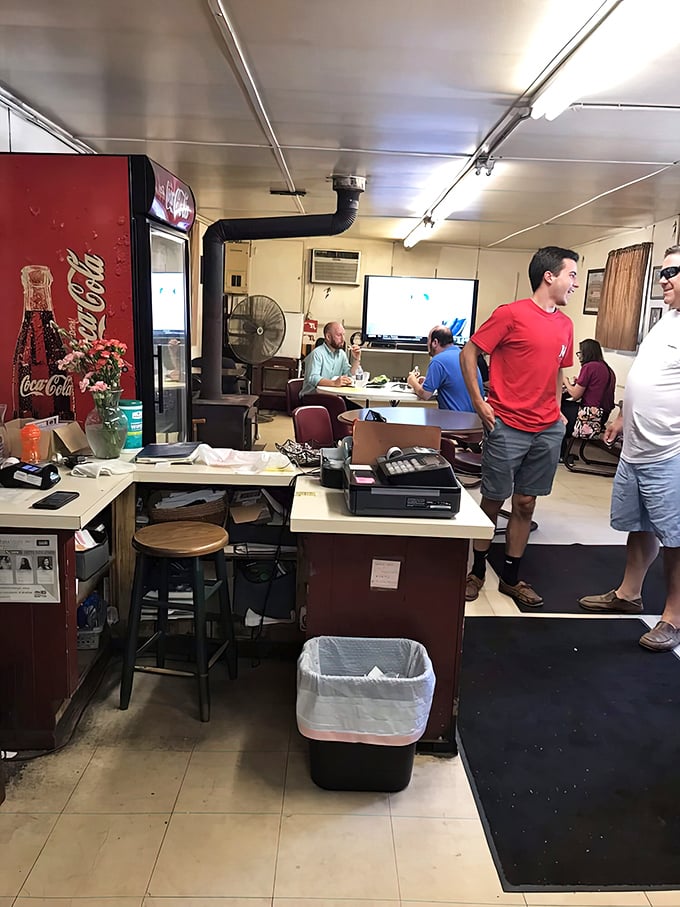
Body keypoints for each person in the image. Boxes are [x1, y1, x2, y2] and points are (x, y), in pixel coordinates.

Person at [460, 246, 577, 607]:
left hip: (546, 430)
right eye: (571, 275)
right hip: (507, 425)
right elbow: (470, 352)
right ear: (549, 276)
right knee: (493, 501)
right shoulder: (510, 315)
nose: (575, 283)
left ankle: (511, 577)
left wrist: (557, 411)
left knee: (526, 503)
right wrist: (480, 403)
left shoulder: (566, 325)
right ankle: (476, 571)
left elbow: (558, 371)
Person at [578, 245, 680, 651]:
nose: (664, 280)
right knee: (639, 527)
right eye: (662, 271)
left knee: (676, 538)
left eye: (673, 271)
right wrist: (621, 416)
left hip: (670, 452)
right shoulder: (666, 321)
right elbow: (644, 375)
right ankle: (628, 593)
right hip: (636, 448)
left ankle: (673, 617)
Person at [560, 338, 616, 459]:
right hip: (602, 415)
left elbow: (575, 395)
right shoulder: (607, 368)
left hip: (589, 416)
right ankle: (563, 452)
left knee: (557, 411)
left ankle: (561, 453)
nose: (579, 356)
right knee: (563, 406)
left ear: (587, 352)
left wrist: (565, 381)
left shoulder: (589, 367)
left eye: (580, 353)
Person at [406, 325, 483, 410]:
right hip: (475, 419)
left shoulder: (438, 361)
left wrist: (412, 381)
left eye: (428, 341)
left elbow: (425, 395)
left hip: (454, 420)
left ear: (435, 342)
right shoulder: (465, 356)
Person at [300, 321, 361, 397]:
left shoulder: (341, 354)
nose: (343, 339)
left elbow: (349, 374)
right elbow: (313, 378)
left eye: (343, 335)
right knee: (343, 405)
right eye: (339, 335)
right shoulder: (317, 353)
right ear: (328, 337)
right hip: (312, 397)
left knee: (358, 407)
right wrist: (334, 383)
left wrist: (356, 359)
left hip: (332, 396)